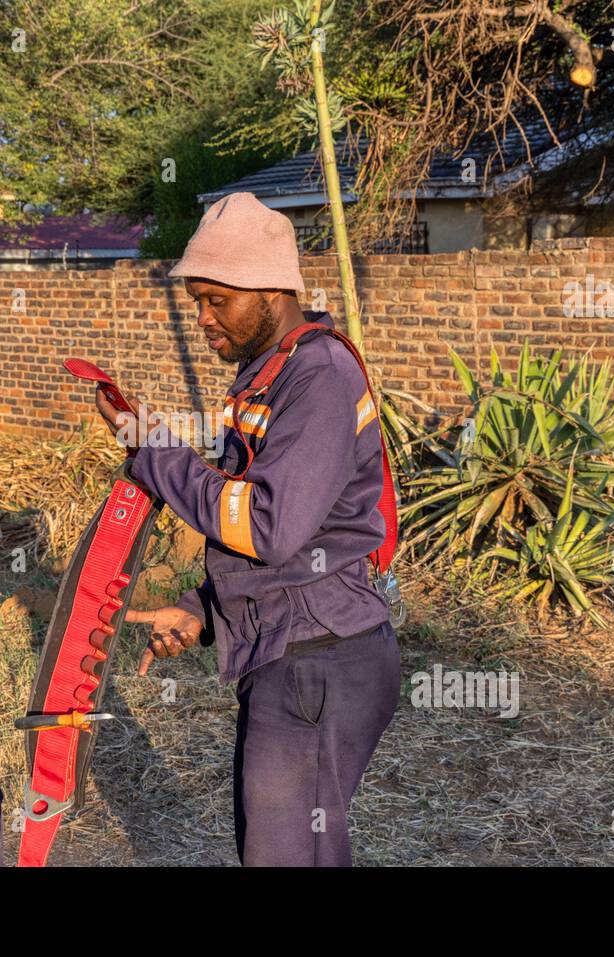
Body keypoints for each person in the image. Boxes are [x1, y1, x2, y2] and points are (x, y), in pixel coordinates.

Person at [93, 191, 402, 866]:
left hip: (321, 663)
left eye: (216, 299)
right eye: (196, 301)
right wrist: (203, 608)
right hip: (295, 649)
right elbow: (274, 527)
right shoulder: (272, 372)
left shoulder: (316, 376)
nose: (202, 318)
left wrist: (155, 452)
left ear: (270, 288)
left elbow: (265, 525)